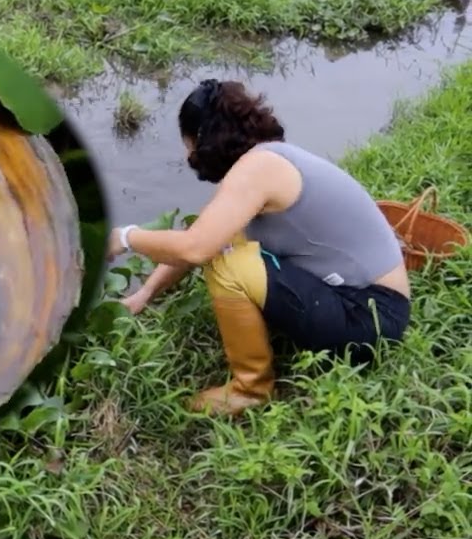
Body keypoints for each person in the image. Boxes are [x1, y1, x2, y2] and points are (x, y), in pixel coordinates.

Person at [106, 79, 411, 416]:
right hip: (371, 307)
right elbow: (202, 234)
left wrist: (124, 237)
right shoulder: (263, 163)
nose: (187, 155)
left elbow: (195, 248)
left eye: (188, 143)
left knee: (226, 263)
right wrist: (145, 294)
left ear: (203, 140)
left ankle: (251, 389)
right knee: (225, 242)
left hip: (370, 318)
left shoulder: (259, 170)